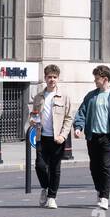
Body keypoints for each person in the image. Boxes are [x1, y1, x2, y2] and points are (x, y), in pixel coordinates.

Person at [72, 65, 110, 209]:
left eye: (97, 79)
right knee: (94, 167)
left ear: (105, 79)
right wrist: (78, 127)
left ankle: (104, 197)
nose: (95, 81)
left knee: (106, 167)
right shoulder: (91, 96)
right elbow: (82, 112)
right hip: (93, 136)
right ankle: (99, 189)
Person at [26, 64, 74, 209]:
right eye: (49, 77)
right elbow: (34, 115)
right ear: (45, 78)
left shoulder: (64, 97)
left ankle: (52, 197)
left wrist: (63, 135)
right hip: (41, 136)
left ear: (57, 78)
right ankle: (45, 188)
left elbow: (68, 118)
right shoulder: (39, 97)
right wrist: (32, 120)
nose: (52, 80)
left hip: (57, 138)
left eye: (54, 77)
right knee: (40, 165)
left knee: (54, 167)